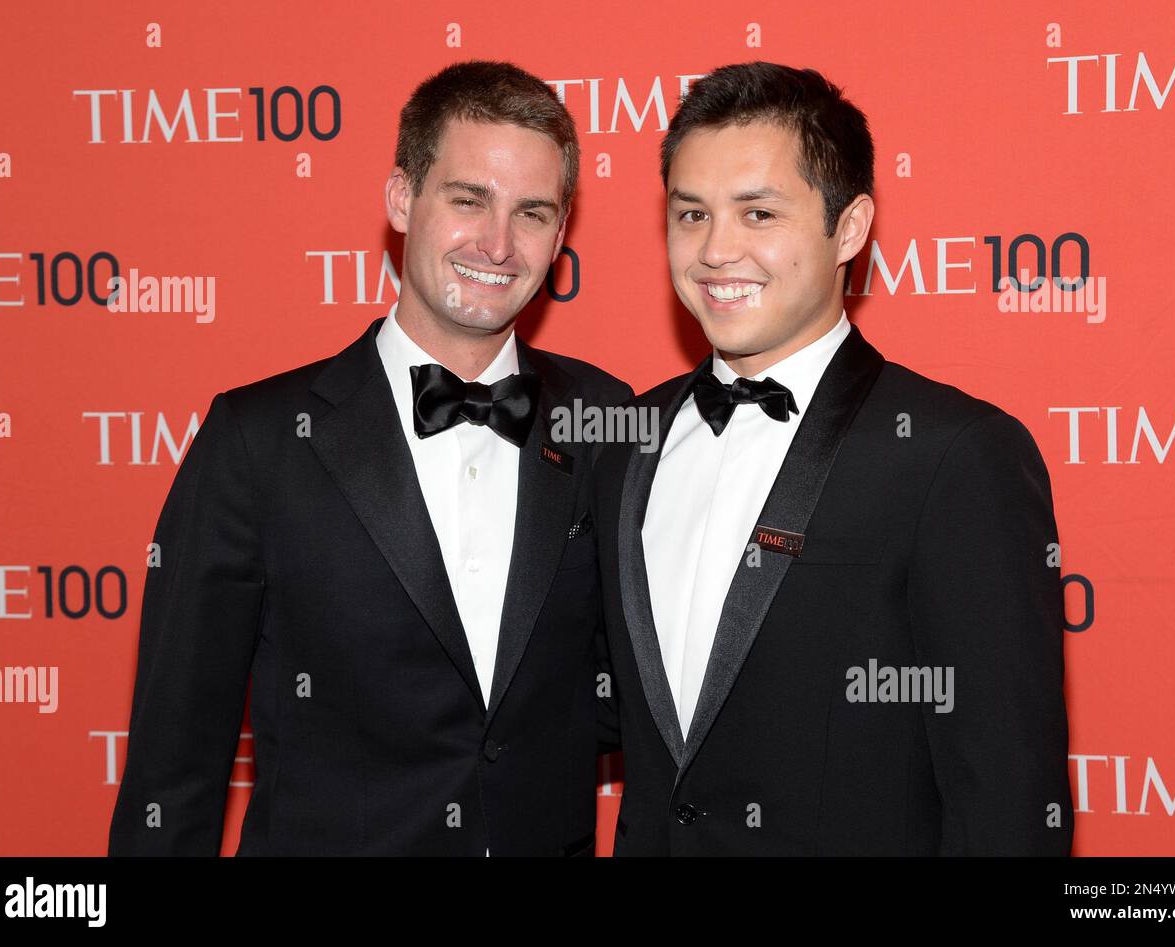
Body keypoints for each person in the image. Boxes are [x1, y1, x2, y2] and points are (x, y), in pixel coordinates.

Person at [109, 60, 631, 856]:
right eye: (468, 200)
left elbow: (632, 685)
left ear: (560, 235)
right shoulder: (256, 441)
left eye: (532, 212)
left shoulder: (608, 421)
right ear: (401, 200)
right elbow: (175, 757)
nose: (497, 243)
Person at [593, 61, 1073, 855]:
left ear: (848, 228)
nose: (716, 251)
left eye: (759, 214)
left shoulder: (954, 455)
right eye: (691, 214)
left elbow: (1006, 798)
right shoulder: (626, 440)